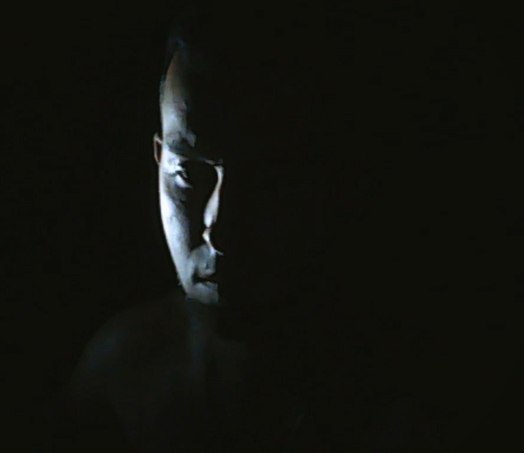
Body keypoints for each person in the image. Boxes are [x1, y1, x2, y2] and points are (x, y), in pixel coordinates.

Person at [55, 8, 446, 452]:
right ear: (158, 158)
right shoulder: (118, 374)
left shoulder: (398, 404)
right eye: (188, 173)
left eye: (268, 181)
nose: (221, 229)